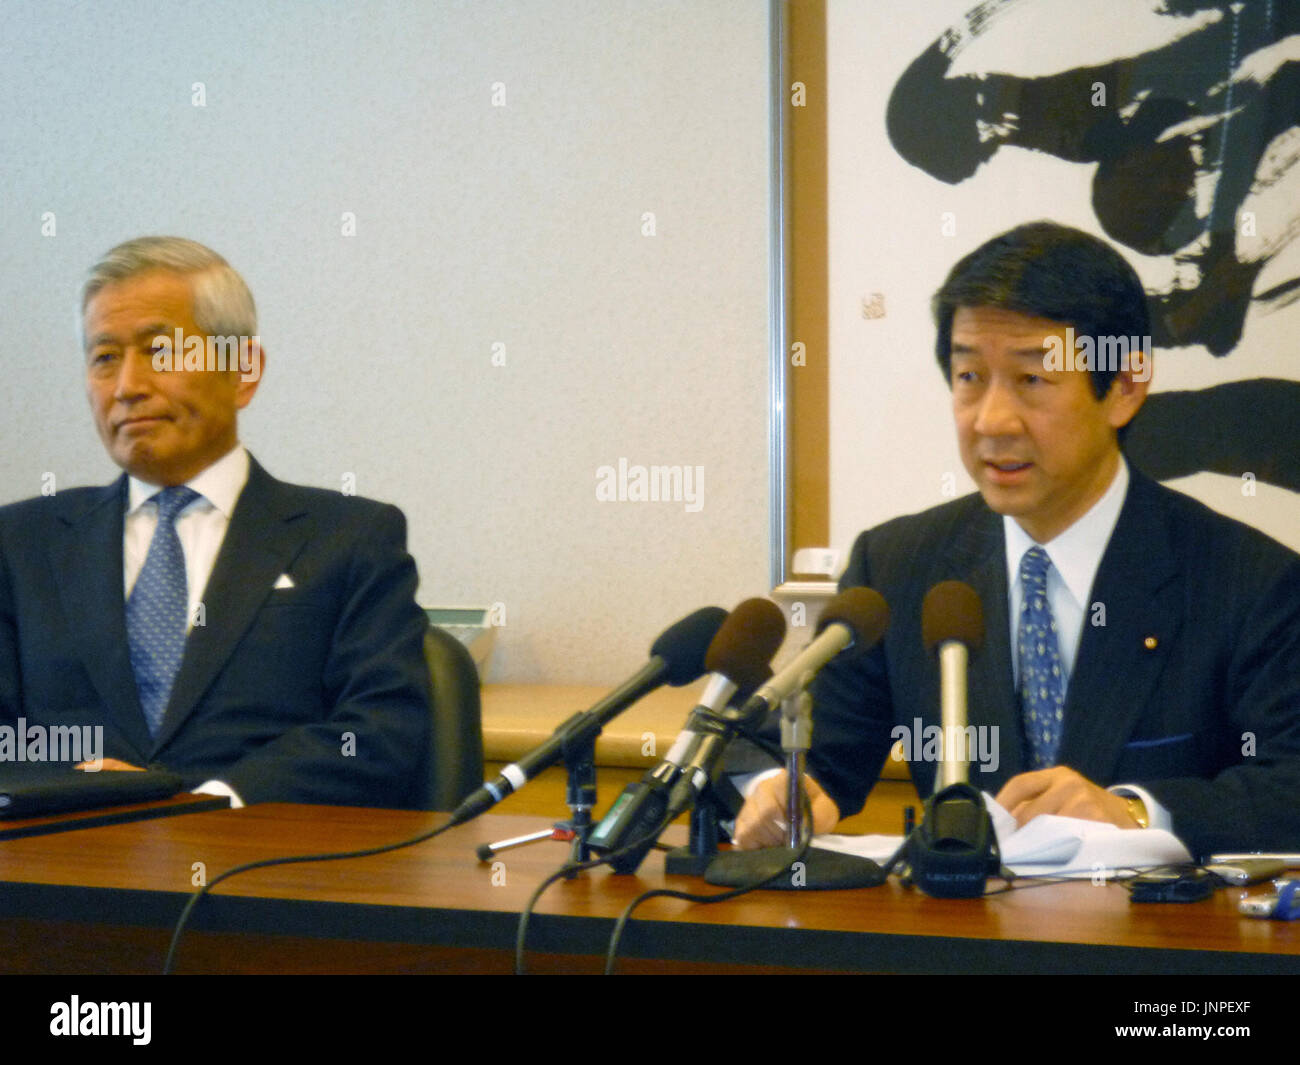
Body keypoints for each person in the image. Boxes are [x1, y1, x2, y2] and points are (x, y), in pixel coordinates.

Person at [735, 221, 1300, 859]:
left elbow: (1289, 786)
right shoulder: (897, 567)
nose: (992, 421)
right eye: (970, 377)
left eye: (1032, 379)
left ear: (1124, 387)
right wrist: (785, 791)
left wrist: (1137, 813)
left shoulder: (1249, 582)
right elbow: (817, 757)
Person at [0, 237, 433, 808]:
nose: (128, 386)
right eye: (105, 358)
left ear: (243, 371)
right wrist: (78, 782)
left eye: (160, 351)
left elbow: (380, 732)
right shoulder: (23, 544)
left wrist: (208, 802)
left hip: (260, 871)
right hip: (65, 871)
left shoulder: (350, 539)